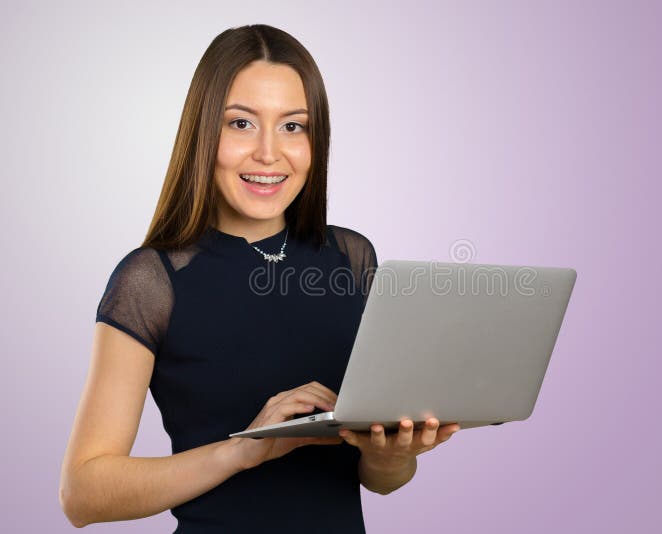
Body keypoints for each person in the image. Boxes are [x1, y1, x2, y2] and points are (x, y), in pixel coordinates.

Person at [58, 24, 459, 533]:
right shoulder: (152, 281)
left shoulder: (352, 259)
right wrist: (243, 451)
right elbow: (83, 494)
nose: (269, 153)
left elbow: (380, 481)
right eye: (241, 123)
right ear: (204, 132)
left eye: (293, 126)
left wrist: (390, 455)